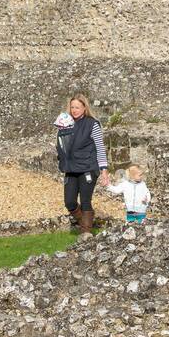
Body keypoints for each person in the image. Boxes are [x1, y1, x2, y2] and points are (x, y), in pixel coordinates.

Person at [54, 93, 109, 234]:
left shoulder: (92, 124)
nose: (74, 110)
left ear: (84, 108)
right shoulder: (65, 124)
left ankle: (86, 235)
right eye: (72, 107)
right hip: (71, 169)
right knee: (70, 202)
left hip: (88, 168)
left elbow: (100, 147)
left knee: (85, 202)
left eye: (77, 107)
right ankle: (87, 223)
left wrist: (104, 170)